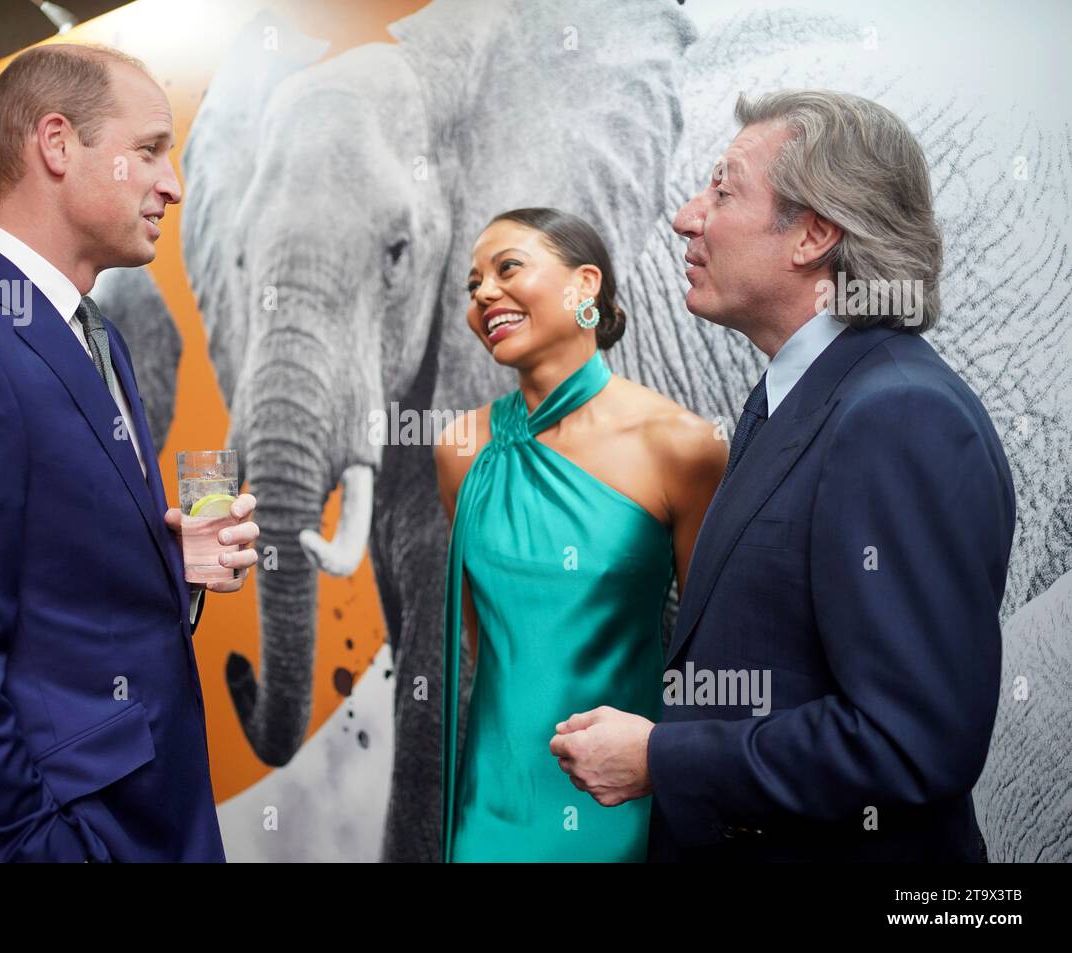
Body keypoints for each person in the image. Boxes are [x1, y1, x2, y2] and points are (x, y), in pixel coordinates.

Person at [552, 90, 1015, 862]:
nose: (686, 217)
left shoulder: (897, 416)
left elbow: (912, 742)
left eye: (723, 189)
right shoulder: (797, 400)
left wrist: (659, 757)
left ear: (814, 234)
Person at [0, 44, 259, 862]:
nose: (171, 182)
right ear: (58, 145)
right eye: (149, 150)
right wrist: (39, 848)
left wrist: (168, 562)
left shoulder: (98, 336)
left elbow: (45, 578)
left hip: (157, 814)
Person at [435, 207, 726, 861]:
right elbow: (487, 642)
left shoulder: (682, 446)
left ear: (584, 284)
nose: (483, 293)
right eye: (473, 284)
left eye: (508, 268)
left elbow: (707, 651)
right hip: (493, 799)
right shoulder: (460, 447)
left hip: (622, 802)